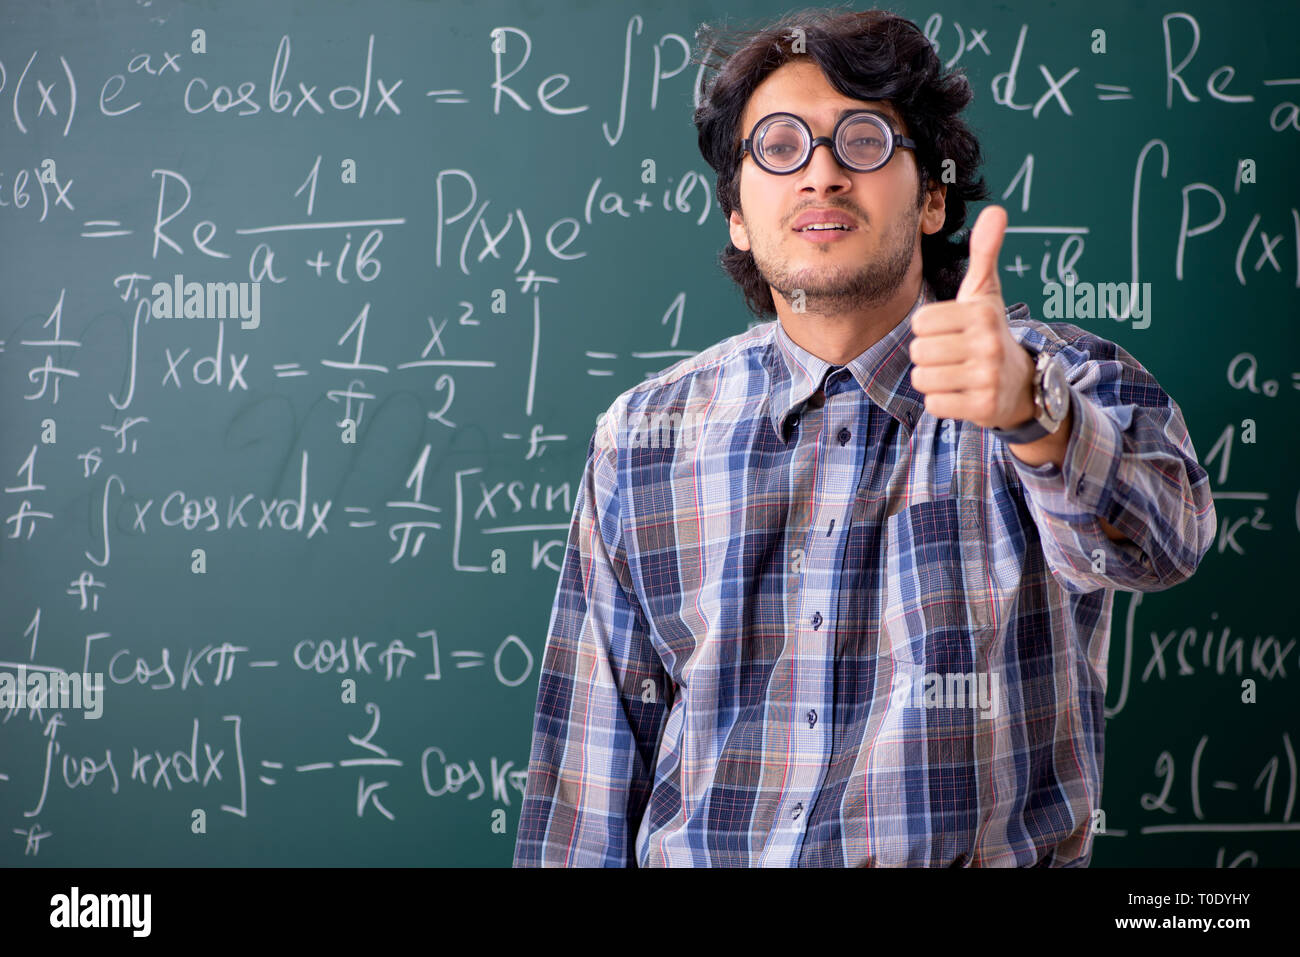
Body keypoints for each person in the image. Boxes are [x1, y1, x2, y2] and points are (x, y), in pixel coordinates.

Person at [512, 8, 1215, 867]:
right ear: (738, 215)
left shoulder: (1055, 378)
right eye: (779, 147)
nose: (822, 173)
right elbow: (584, 786)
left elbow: (1164, 543)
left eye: (863, 140)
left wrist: (1034, 412)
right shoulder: (643, 437)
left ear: (929, 199)